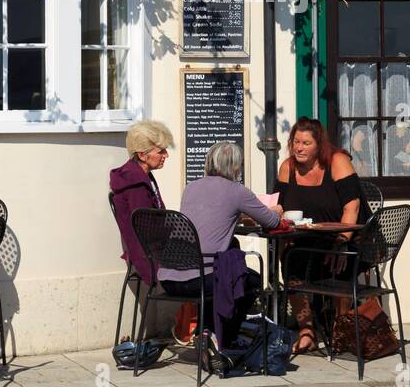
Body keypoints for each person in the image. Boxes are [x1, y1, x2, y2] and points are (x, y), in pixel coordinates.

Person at [161, 142, 282, 349]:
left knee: (222, 270)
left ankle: (206, 333)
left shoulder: (191, 188)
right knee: (249, 281)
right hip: (200, 278)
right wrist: (278, 210)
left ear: (209, 162)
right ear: (236, 167)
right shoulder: (237, 191)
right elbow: (271, 221)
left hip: (169, 276)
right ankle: (225, 338)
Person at [274, 117, 363, 354]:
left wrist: (342, 241)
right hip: (305, 237)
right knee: (291, 258)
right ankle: (307, 332)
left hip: (346, 234)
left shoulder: (337, 161)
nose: (299, 148)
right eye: (295, 142)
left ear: (319, 145)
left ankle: (340, 327)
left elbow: (352, 207)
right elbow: (278, 204)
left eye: (305, 143)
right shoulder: (288, 167)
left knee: (340, 262)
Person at [109, 120, 173, 285]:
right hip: (150, 258)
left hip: (154, 251)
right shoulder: (135, 184)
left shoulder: (142, 176)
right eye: (161, 151)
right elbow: (148, 230)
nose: (166, 155)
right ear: (142, 155)